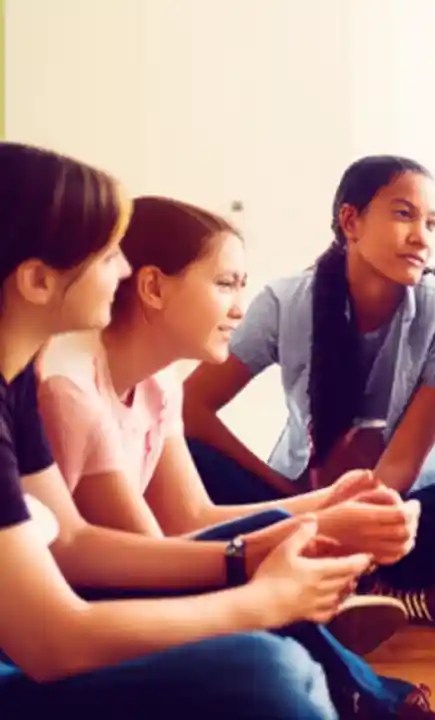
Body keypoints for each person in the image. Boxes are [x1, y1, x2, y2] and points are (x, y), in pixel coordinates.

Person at [0, 140, 387, 718]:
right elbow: (55, 640)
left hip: (48, 630)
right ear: (36, 280)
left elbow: (75, 542)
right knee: (269, 670)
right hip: (31, 651)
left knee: (283, 669)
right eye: (107, 255)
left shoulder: (18, 383)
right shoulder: (65, 390)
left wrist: (257, 554)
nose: (126, 269)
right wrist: (262, 598)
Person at [37, 195, 425, 655]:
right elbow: (151, 550)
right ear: (153, 288)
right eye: (225, 285)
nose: (240, 309)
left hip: (141, 574)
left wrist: (330, 502)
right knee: (269, 660)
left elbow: (191, 518)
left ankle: (315, 627)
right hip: (83, 604)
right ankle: (316, 634)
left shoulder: (160, 385)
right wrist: (315, 529)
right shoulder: (70, 395)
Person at [183, 156, 435, 627]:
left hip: (399, 508)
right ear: (351, 221)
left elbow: (399, 468)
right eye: (404, 214)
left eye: (432, 223)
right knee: (186, 459)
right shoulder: (283, 303)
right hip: (296, 500)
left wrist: (333, 521)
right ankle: (377, 586)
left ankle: (318, 576)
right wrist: (284, 493)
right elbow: (191, 406)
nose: (422, 236)